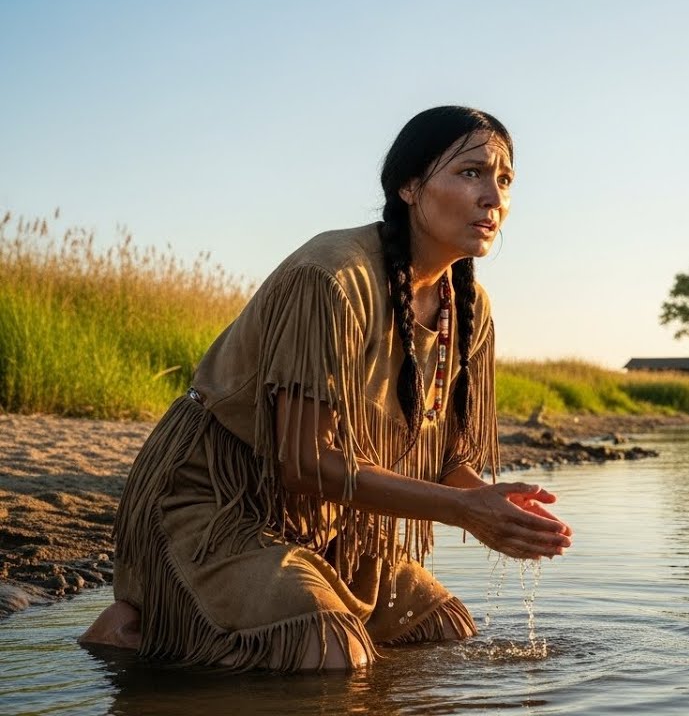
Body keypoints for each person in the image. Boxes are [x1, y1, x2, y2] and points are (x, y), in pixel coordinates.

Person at [79, 106, 573, 672]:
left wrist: (494, 507)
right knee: (328, 651)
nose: (493, 197)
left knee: (442, 632)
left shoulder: (469, 310)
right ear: (410, 187)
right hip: (219, 499)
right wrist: (463, 510)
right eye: (470, 173)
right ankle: (133, 629)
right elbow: (305, 463)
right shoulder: (333, 276)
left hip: (333, 521)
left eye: (504, 180)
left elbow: (441, 462)